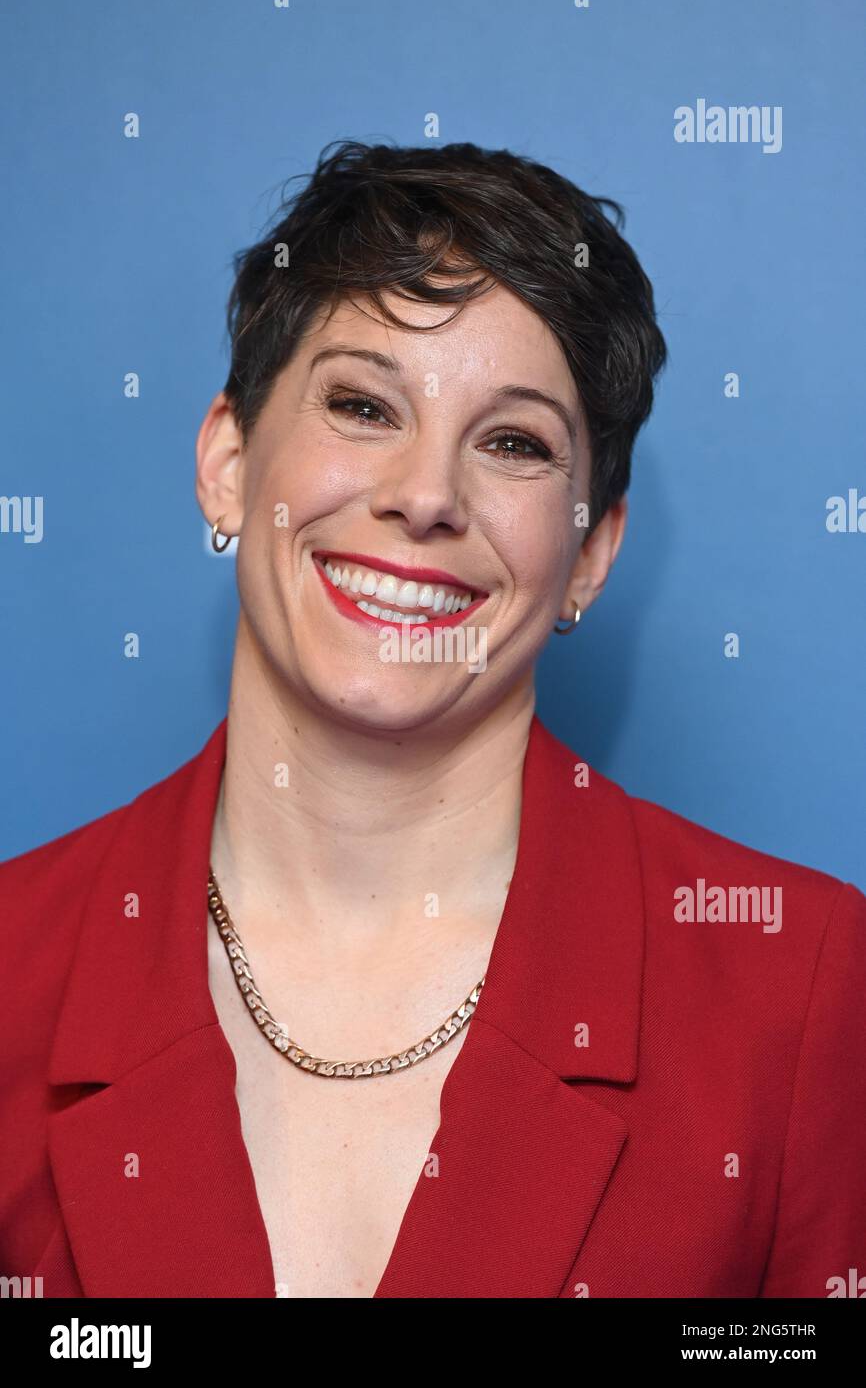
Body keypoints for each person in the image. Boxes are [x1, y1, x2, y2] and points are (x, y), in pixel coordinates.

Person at [1, 140, 864, 1300]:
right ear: (227, 462)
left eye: (511, 441)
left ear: (588, 556)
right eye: (362, 405)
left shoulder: (801, 989)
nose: (425, 494)